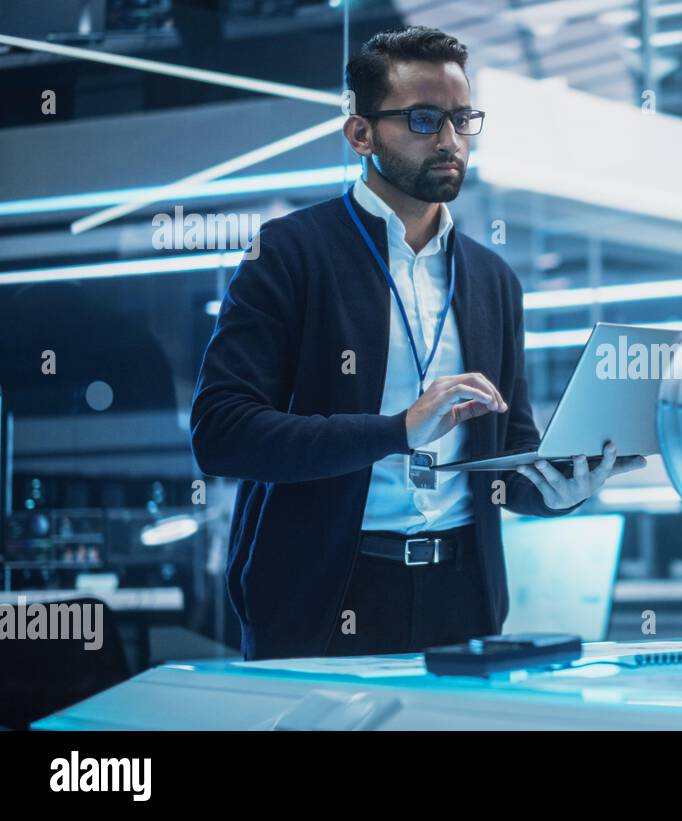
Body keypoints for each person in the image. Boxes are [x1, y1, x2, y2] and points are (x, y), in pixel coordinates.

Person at [190, 25, 643, 660]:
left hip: (462, 597)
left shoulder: (492, 279)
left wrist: (555, 490)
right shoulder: (289, 254)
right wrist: (398, 429)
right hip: (325, 594)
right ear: (361, 134)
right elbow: (222, 433)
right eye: (425, 119)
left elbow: (506, 450)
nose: (451, 140)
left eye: (462, 119)